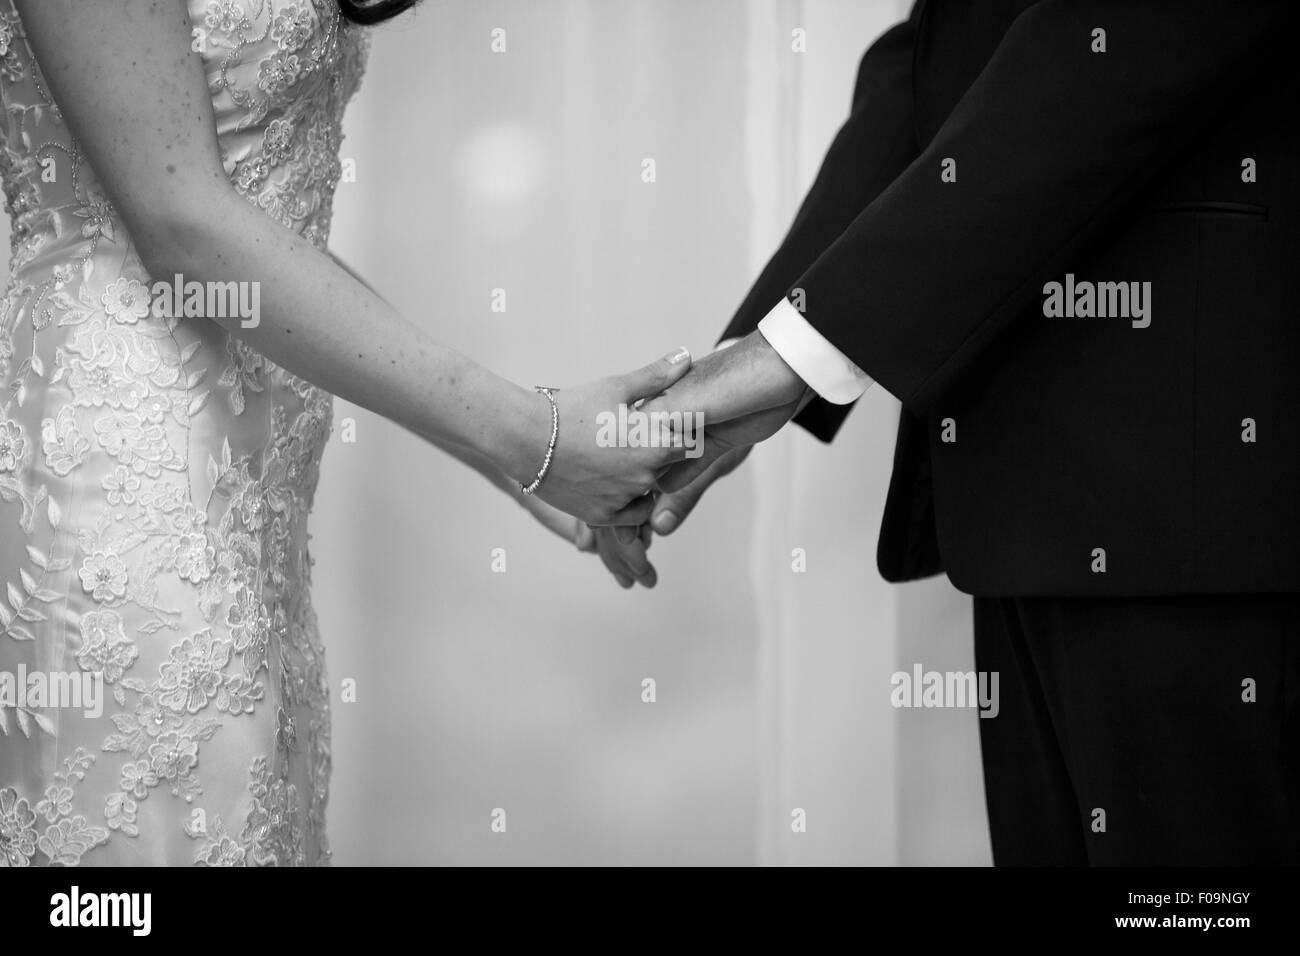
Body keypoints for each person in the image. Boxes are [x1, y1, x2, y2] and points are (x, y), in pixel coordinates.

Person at [0, 0, 664, 867]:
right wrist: (531, 435)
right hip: (120, 477)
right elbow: (182, 224)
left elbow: (264, 238)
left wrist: (524, 460)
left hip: (257, 488)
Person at [646, 0, 1300, 865]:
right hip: (1030, 482)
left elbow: (1117, 34)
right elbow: (944, 44)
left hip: (1194, 476)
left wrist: (792, 357)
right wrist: (755, 360)